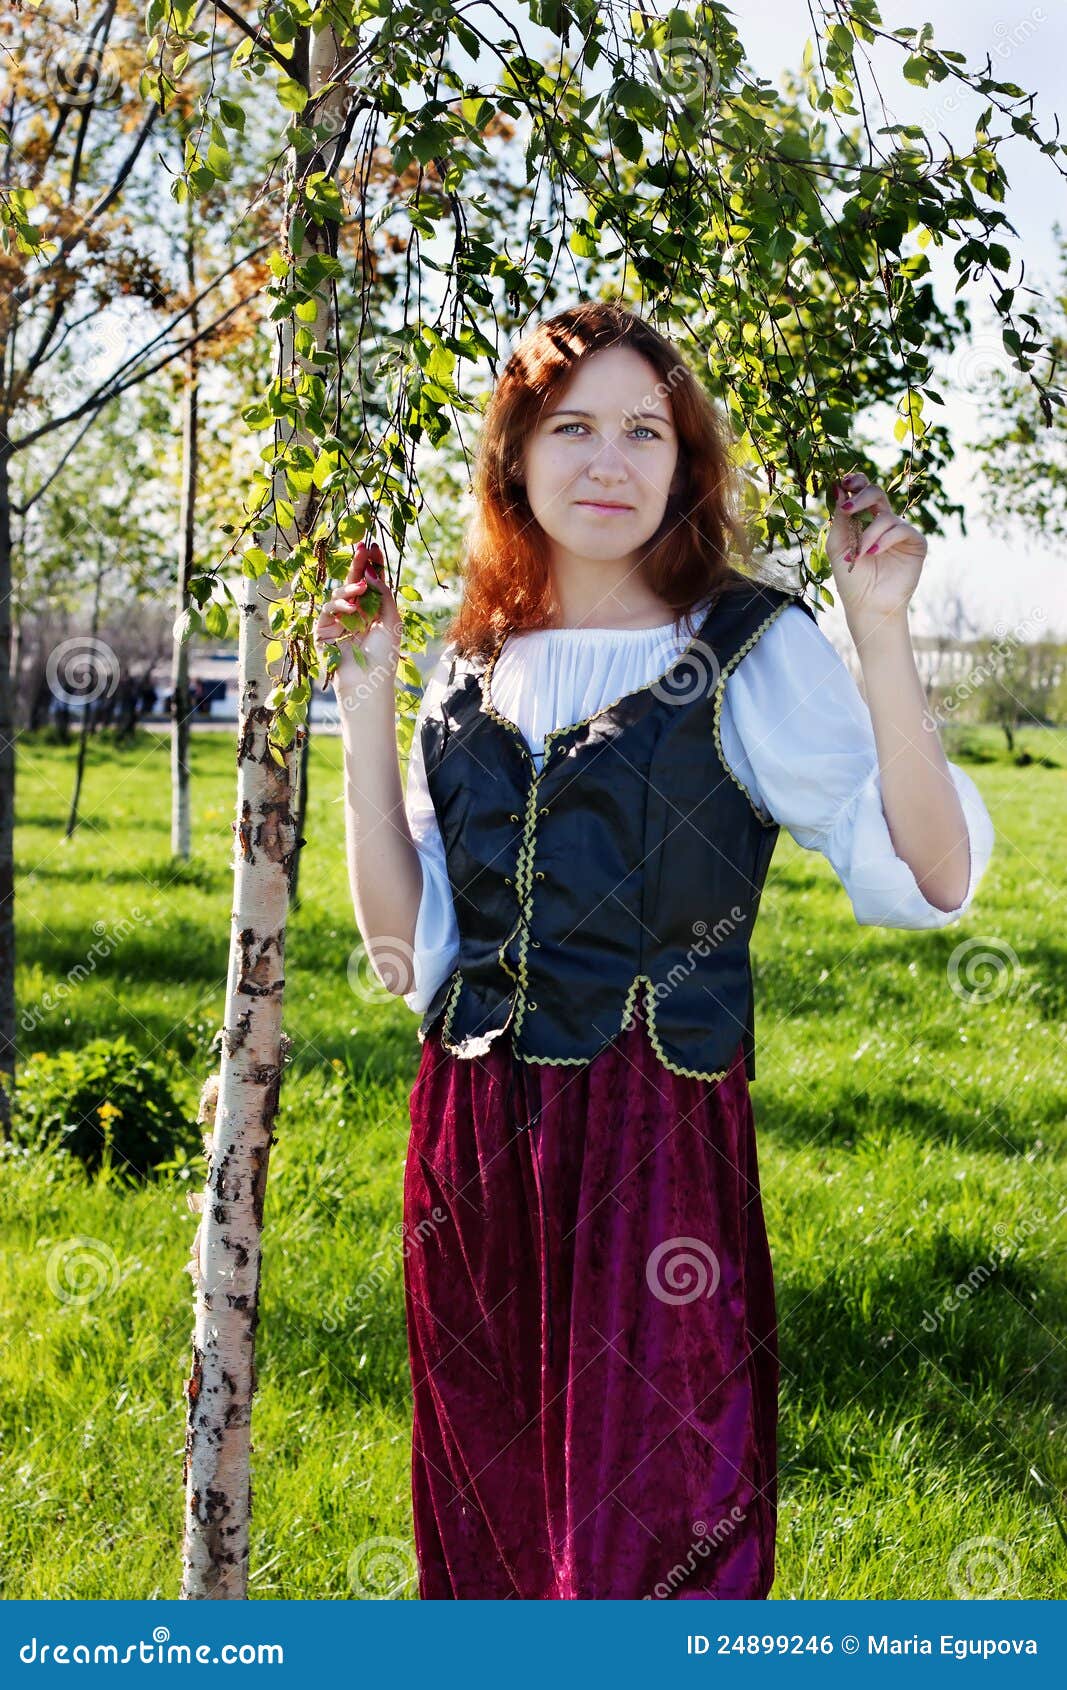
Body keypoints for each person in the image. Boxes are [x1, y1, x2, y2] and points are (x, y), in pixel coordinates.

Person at [314, 301, 994, 1601]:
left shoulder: (745, 645)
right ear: (513, 456)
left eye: (645, 429)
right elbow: (406, 957)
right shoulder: (465, 664)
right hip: (467, 1139)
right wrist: (365, 707)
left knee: (659, 1532)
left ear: (686, 464)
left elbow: (932, 871)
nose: (610, 460)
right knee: (489, 1536)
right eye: (572, 428)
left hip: (652, 1139)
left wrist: (884, 635)